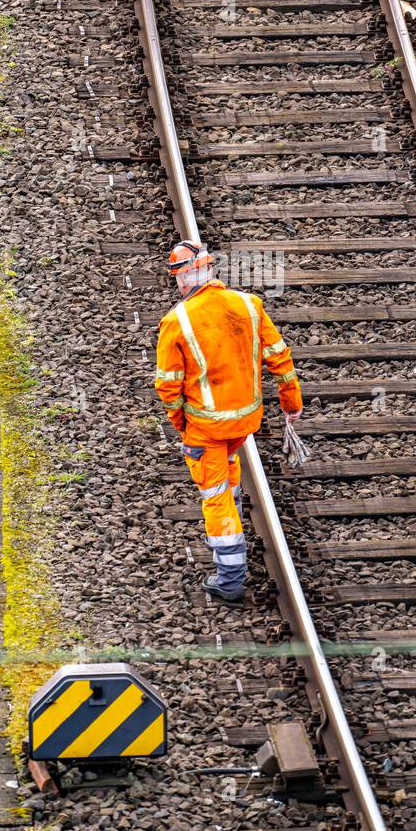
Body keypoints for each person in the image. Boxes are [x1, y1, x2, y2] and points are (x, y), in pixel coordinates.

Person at [154, 241, 302, 603]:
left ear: (186, 275)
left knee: (215, 494)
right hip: (246, 421)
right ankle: (232, 516)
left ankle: (230, 577)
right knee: (228, 472)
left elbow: (168, 386)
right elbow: (279, 358)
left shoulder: (177, 321)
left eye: (178, 277)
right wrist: (291, 403)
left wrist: (180, 423)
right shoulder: (249, 305)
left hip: (206, 428)